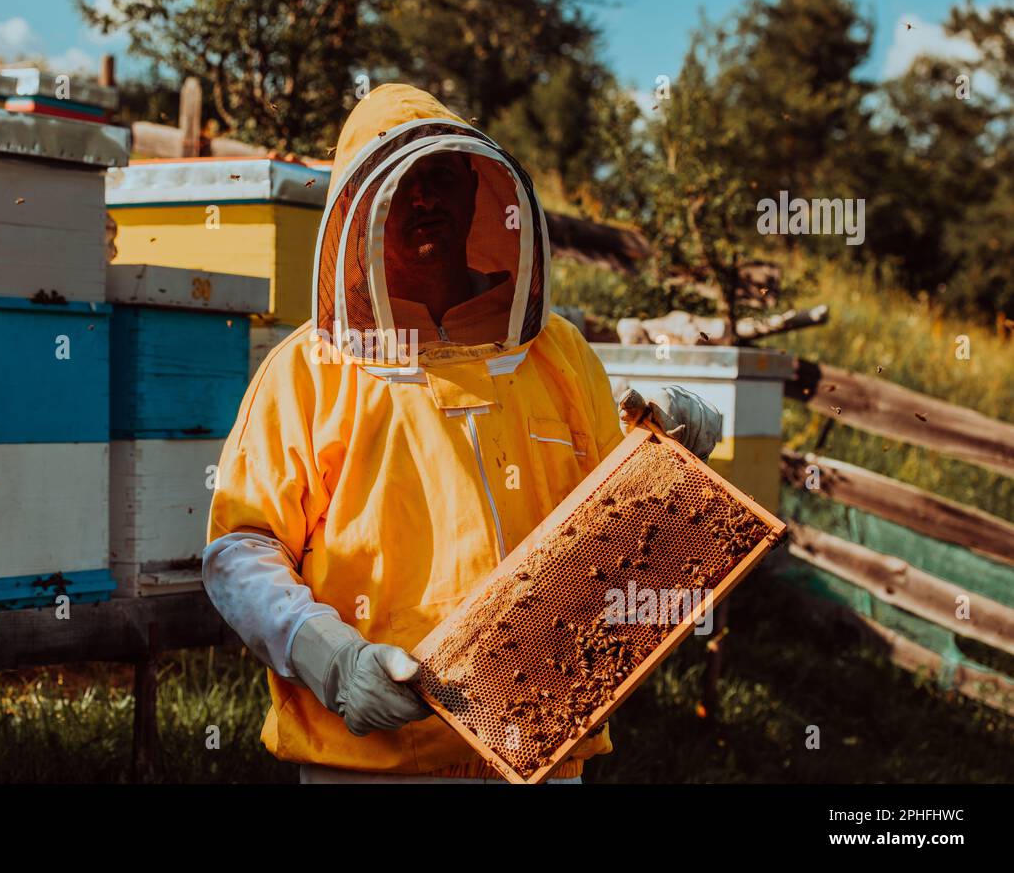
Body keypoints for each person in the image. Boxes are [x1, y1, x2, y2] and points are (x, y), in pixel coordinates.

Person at [202, 83, 722, 783]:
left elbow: (610, 525)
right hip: (372, 757)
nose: (424, 199)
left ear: (481, 193)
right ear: (358, 211)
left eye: (442, 177)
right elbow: (241, 549)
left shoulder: (557, 352)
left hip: (546, 741)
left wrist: (667, 450)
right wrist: (334, 660)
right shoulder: (309, 369)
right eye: (402, 183)